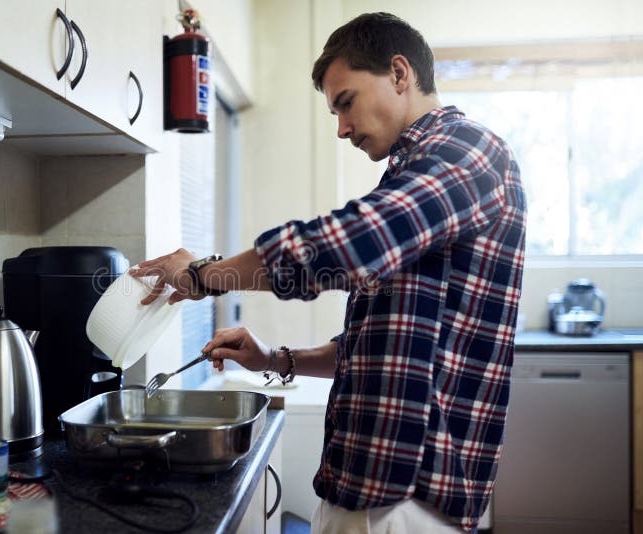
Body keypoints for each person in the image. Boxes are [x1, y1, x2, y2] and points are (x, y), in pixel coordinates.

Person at [131, 12, 525, 534]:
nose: (341, 129)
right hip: (373, 490)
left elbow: (347, 244)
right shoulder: (417, 175)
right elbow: (381, 350)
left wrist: (205, 275)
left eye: (346, 102)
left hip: (405, 501)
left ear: (400, 73)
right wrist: (274, 358)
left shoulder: (467, 152)